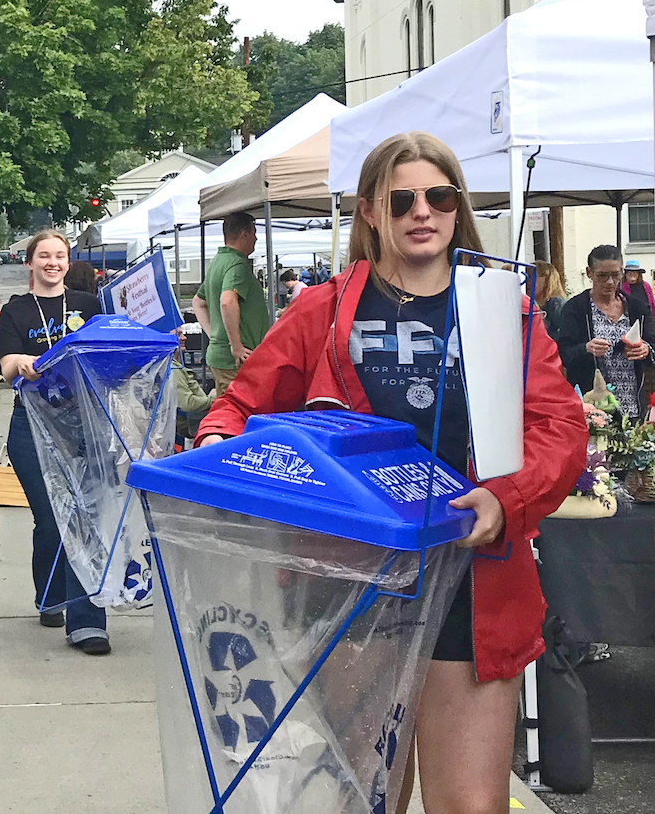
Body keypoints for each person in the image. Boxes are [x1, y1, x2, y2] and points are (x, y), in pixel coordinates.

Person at [194, 132, 585, 814]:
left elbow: (559, 428)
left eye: (438, 196)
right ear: (371, 212)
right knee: (365, 797)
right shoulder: (323, 309)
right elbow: (239, 405)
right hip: (354, 584)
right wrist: (214, 453)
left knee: (470, 804)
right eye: (401, 198)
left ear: (457, 207)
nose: (421, 211)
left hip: (474, 581)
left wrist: (503, 499)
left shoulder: (503, 311)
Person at [0, 230, 110, 655]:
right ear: (30, 262)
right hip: (32, 425)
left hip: (83, 426)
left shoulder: (88, 306)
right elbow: (7, 364)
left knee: (82, 518)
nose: (53, 262)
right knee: (51, 520)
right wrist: (22, 362)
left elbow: (108, 353)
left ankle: (87, 623)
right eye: (44, 255)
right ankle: (49, 597)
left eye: (60, 256)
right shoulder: (15, 311)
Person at [558, 245, 655, 420]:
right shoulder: (575, 308)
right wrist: (586, 349)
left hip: (632, 405)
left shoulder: (636, 307)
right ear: (589, 273)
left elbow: (652, 345)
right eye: (602, 276)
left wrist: (645, 350)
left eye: (616, 275)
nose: (610, 282)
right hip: (593, 409)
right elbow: (563, 354)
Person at [191, 212, 269, 395]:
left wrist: (215, 334)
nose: (256, 238)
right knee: (239, 415)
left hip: (223, 357)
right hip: (236, 362)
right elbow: (227, 301)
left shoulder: (219, 261)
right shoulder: (237, 265)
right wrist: (236, 346)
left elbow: (198, 301)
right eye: (254, 232)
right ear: (244, 234)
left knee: (227, 414)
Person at [172, 328, 212, 444]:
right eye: (178, 334)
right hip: (192, 426)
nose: (184, 337)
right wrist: (215, 400)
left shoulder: (174, 365)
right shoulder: (172, 368)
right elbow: (188, 403)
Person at [533, 260, 567, 343]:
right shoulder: (534, 304)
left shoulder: (556, 303)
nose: (527, 282)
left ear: (547, 280)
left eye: (533, 277)